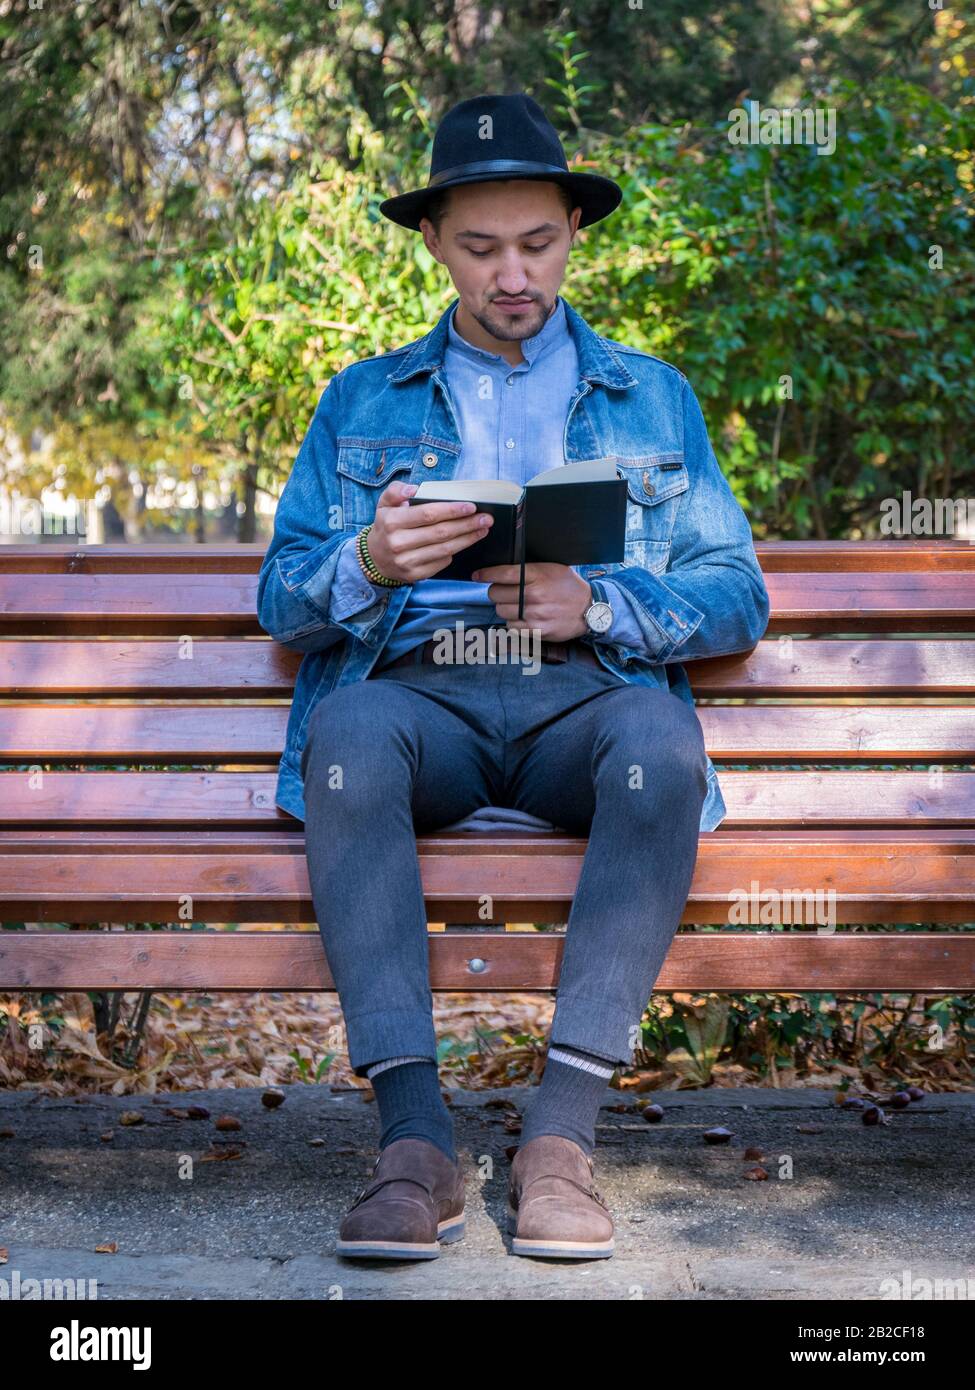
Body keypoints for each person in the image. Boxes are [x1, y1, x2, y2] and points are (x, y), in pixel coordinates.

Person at [256, 92, 770, 1262]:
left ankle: (558, 1144)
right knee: (345, 733)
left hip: (581, 698)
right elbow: (281, 594)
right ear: (432, 243)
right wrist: (366, 561)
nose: (513, 274)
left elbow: (737, 592)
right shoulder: (362, 399)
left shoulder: (653, 397)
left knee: (662, 750)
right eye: (481, 248)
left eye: (536, 243)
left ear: (575, 232)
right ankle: (416, 1147)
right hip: (421, 694)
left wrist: (607, 603)